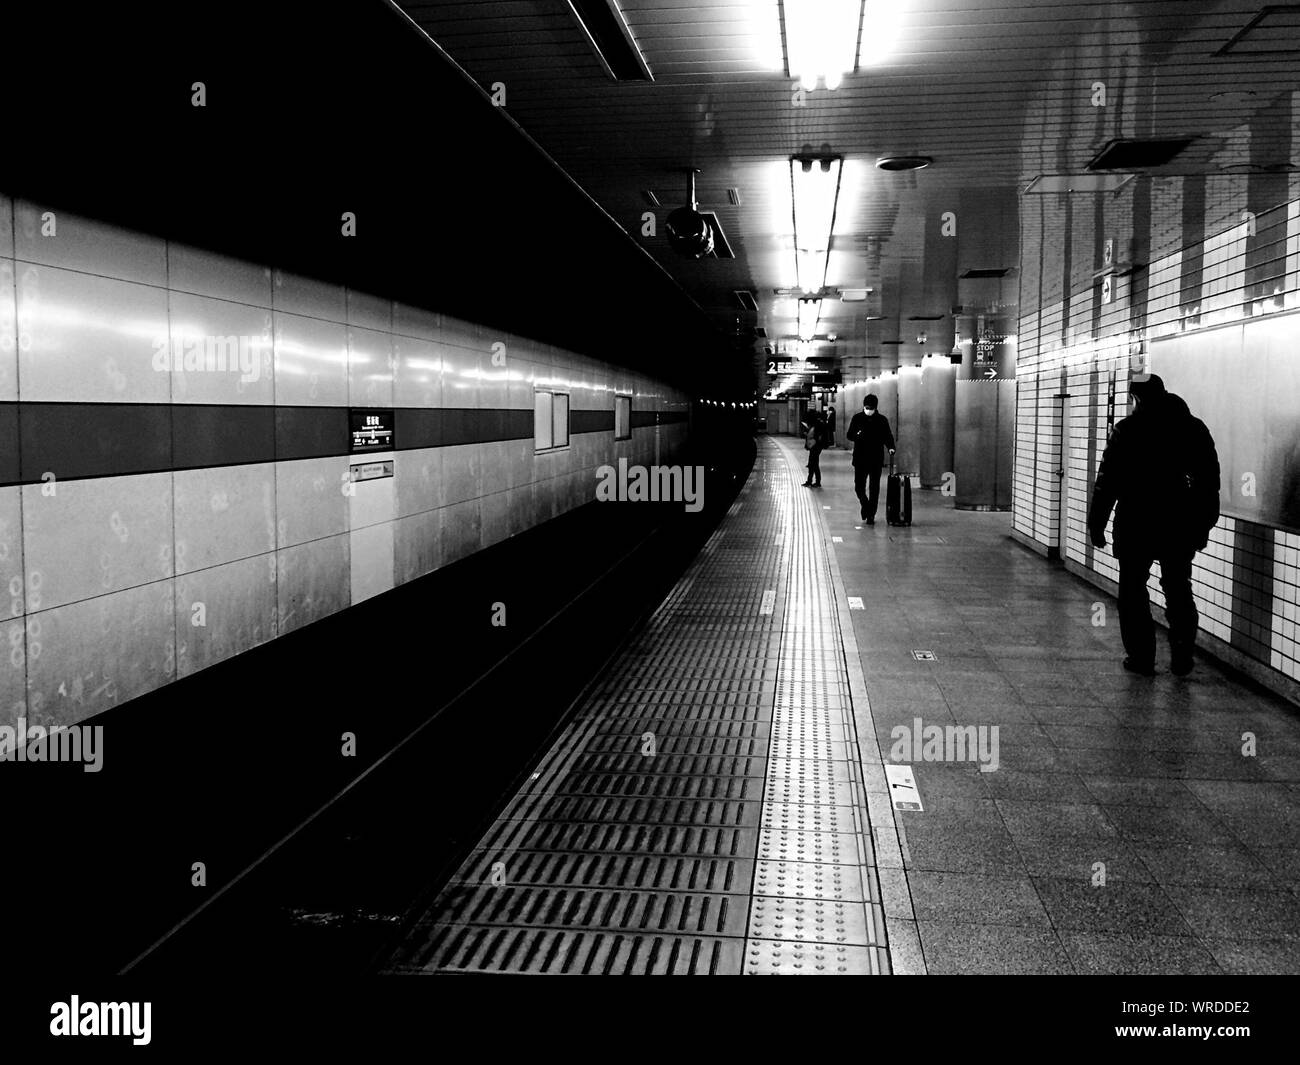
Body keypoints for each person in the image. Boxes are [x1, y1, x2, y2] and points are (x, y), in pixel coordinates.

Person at [1088, 373, 1220, 677]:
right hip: (1179, 522)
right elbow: (1208, 483)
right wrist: (1203, 526)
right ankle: (1182, 656)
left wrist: (1097, 523)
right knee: (1177, 588)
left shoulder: (1128, 430)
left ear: (1137, 398)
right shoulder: (1193, 429)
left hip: (1136, 520)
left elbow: (1107, 482)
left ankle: (1142, 657)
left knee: (1133, 589)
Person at [846, 394, 895, 523]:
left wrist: (891, 447)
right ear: (863, 406)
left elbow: (887, 435)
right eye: (867, 407)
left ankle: (871, 514)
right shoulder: (857, 418)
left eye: (871, 408)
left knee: (874, 488)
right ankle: (865, 505)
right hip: (860, 459)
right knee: (859, 487)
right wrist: (857, 435)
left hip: (876, 459)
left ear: (875, 407)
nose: (869, 410)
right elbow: (849, 435)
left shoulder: (882, 420)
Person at [802, 409, 827, 487]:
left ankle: (815, 482)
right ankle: (811, 481)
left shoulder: (818, 424)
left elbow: (817, 436)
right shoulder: (815, 424)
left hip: (816, 446)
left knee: (814, 464)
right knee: (812, 464)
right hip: (814, 446)